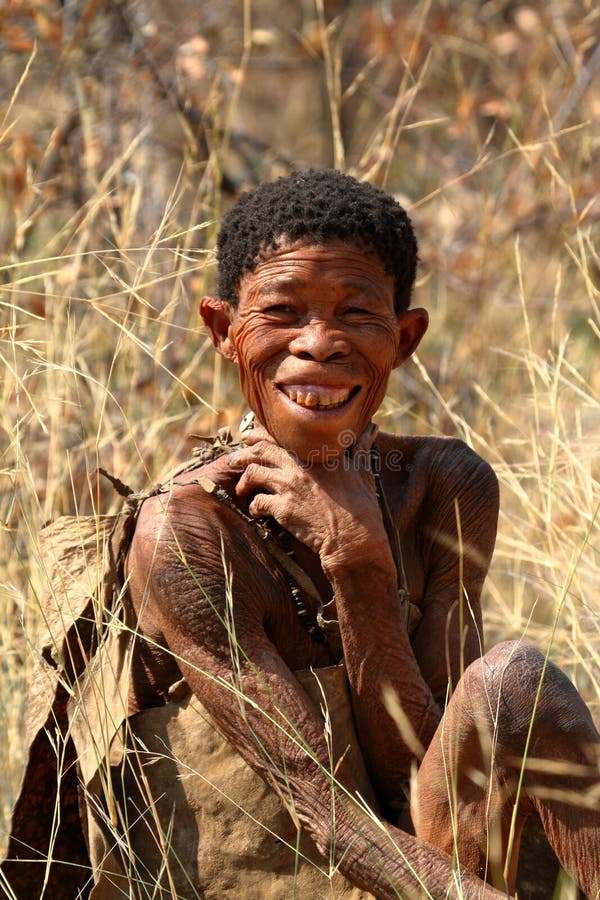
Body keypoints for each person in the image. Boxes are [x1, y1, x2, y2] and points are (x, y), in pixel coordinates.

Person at [3, 169, 599, 899]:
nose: (320, 343)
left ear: (404, 338)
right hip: (293, 878)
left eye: (358, 314)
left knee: (515, 681)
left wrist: (359, 560)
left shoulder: (445, 484)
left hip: (435, 866)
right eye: (282, 311)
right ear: (224, 331)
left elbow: (419, 777)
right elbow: (326, 816)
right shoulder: (187, 533)